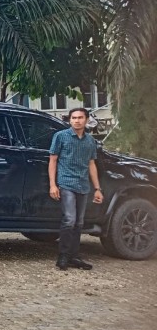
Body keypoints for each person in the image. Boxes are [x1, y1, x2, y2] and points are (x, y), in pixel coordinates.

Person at [49, 107, 103, 271]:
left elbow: (91, 164)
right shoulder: (60, 137)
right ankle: (63, 256)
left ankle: (74, 256)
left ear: (86, 120)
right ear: (69, 120)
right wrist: (52, 184)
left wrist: (97, 188)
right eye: (73, 118)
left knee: (79, 223)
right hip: (66, 183)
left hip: (83, 185)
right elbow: (53, 160)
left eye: (80, 118)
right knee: (70, 219)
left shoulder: (90, 141)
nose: (76, 121)